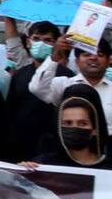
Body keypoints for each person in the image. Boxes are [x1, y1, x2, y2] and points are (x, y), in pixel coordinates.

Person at [7, 22, 72, 161]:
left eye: (48, 40)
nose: (41, 44)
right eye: (36, 39)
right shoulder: (19, 75)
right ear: (28, 41)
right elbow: (10, 112)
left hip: (54, 147)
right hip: (21, 146)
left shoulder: (67, 76)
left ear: (56, 44)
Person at [29, 36, 112, 135]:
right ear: (77, 62)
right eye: (87, 54)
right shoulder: (64, 85)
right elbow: (37, 88)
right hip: (70, 146)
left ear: (107, 62)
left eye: (100, 54)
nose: (93, 58)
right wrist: (54, 57)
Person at [24, 83, 112, 169]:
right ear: (58, 128)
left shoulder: (111, 168)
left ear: (95, 129)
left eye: (83, 123)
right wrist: (23, 170)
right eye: (68, 123)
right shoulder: (43, 163)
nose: (74, 128)